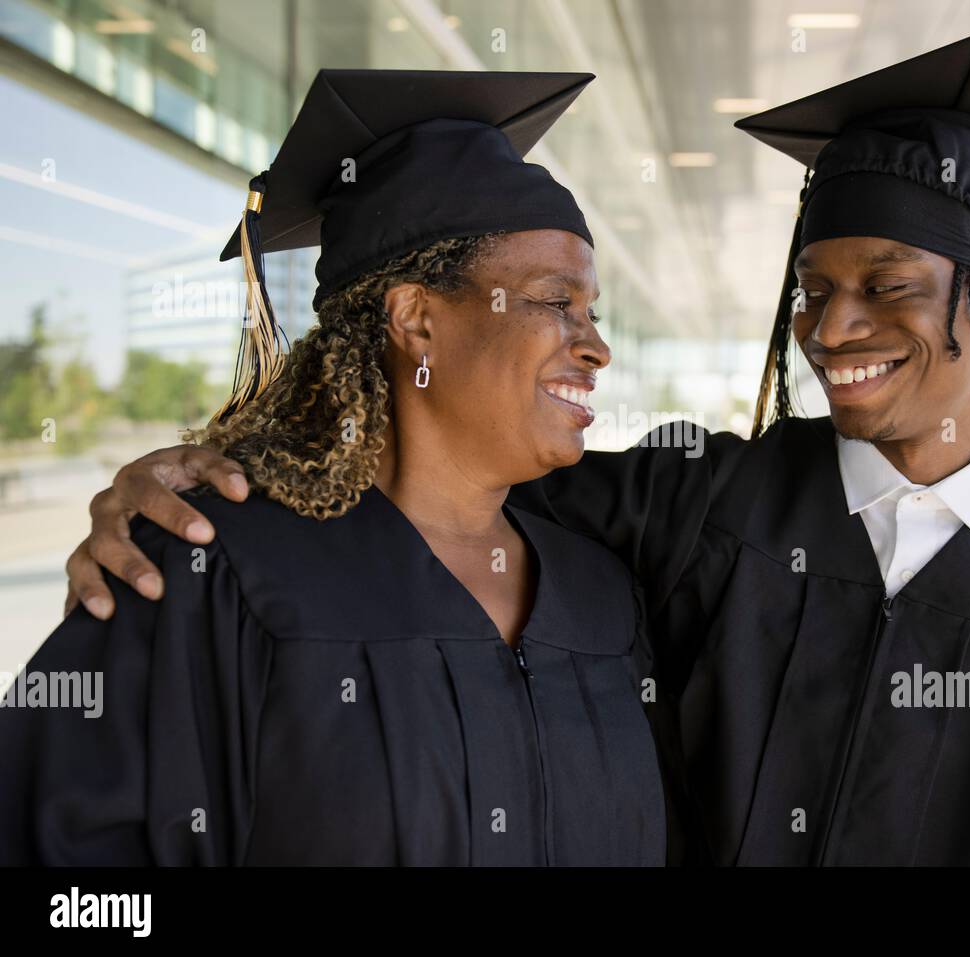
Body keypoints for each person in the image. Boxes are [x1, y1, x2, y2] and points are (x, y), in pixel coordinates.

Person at [62, 33, 970, 865]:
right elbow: (435, 479)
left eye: (888, 284)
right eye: (812, 290)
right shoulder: (688, 511)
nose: (831, 329)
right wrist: (192, 476)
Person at [1, 69, 667, 865]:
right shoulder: (215, 571)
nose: (596, 346)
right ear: (417, 318)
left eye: (593, 312)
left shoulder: (602, 594)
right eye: (556, 302)